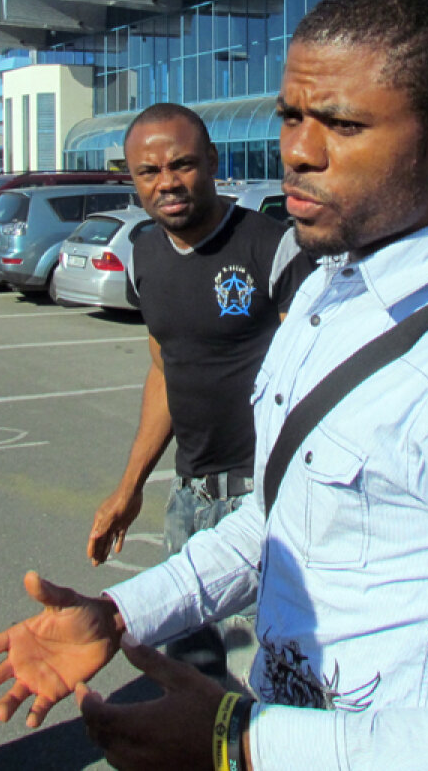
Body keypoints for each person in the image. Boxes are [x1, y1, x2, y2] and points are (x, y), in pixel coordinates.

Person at [0, 0, 428, 770]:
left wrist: (242, 745)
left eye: (342, 123)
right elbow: (285, 521)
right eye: (290, 115)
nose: (300, 151)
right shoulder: (328, 296)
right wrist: (123, 612)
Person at [86, 102, 315, 680]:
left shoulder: (273, 248)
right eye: (148, 172)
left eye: (182, 165)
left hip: (264, 504)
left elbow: (315, 381)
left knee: (258, 687)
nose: (166, 182)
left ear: (212, 161)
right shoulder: (144, 255)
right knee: (187, 682)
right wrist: (129, 487)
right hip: (187, 502)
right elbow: (166, 369)